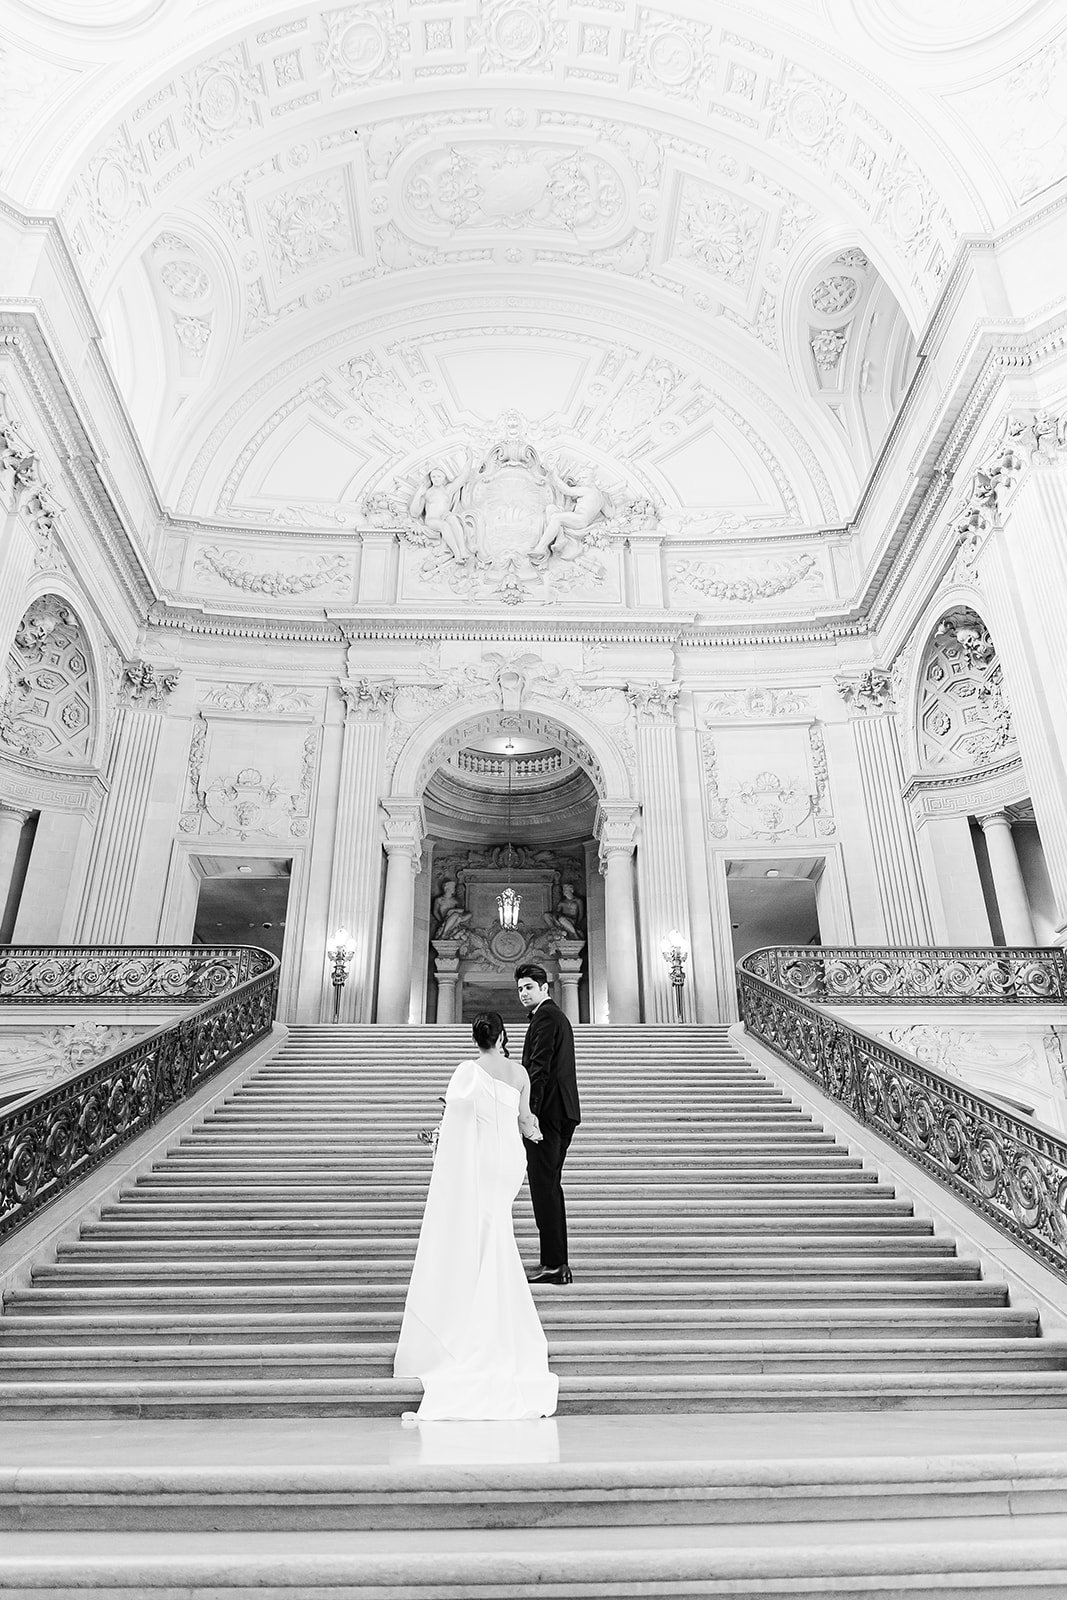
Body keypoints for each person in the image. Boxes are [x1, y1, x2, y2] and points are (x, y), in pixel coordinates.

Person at [393, 1011, 558, 1421]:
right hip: (510, 1164)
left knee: (488, 1230)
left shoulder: (467, 1072)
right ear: (502, 1036)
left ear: (475, 1039)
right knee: (498, 1228)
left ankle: (479, 1307)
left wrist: (439, 1145)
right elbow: (525, 1120)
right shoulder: (519, 1072)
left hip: (484, 1160)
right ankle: (497, 1302)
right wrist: (535, 1134)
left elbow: (454, 1122)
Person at [515, 962, 581, 1286]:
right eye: (520, 989)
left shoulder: (546, 1018)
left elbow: (537, 1072)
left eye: (528, 987)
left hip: (548, 1116)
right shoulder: (555, 1017)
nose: (523, 993)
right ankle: (556, 1263)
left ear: (545, 987)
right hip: (560, 1113)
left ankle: (555, 1265)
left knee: (544, 1190)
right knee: (549, 1188)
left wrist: (529, 1118)